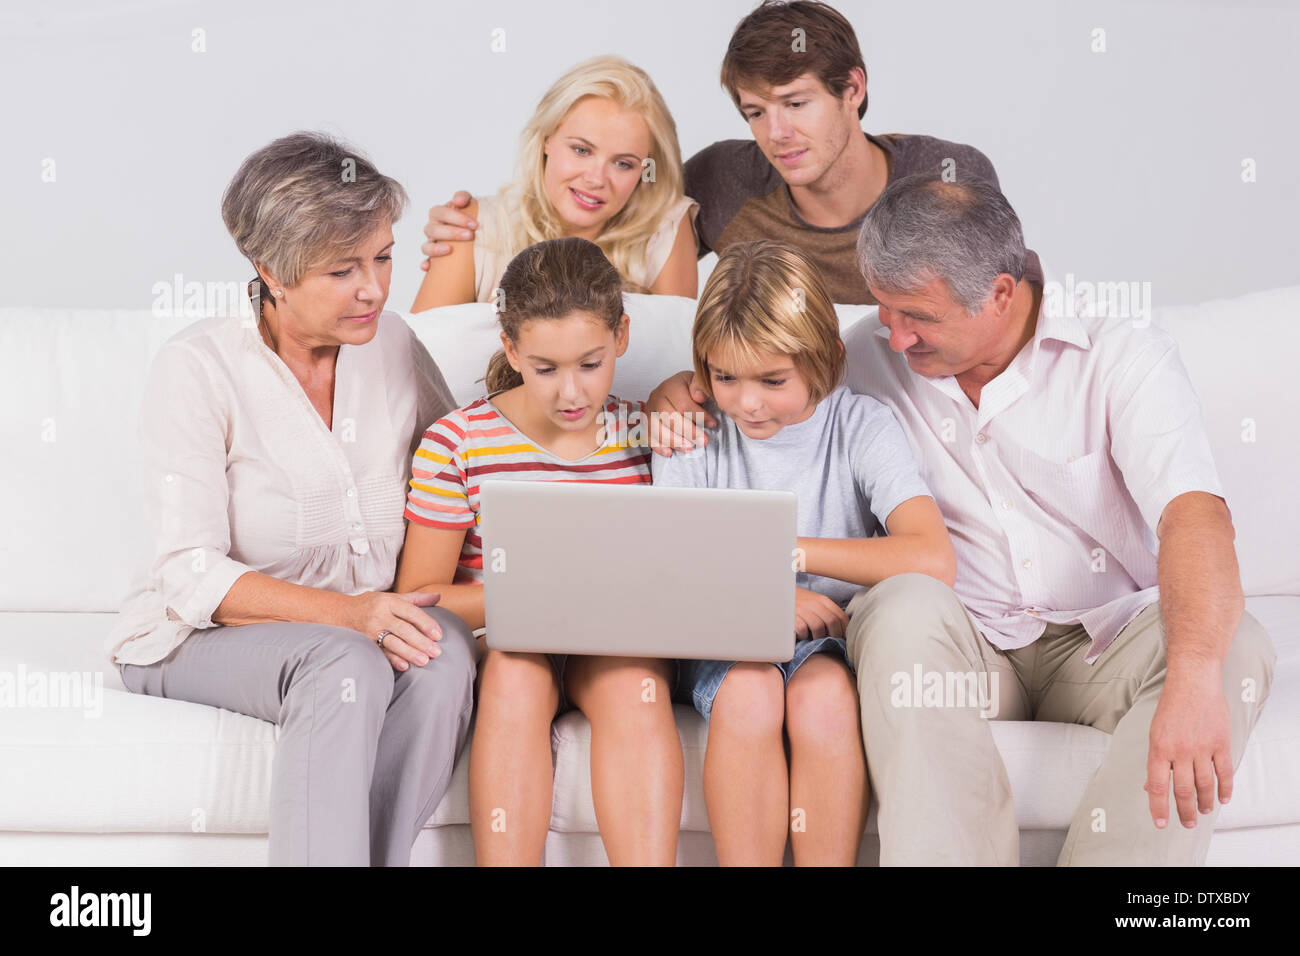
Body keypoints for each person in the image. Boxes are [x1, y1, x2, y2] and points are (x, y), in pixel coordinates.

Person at [647, 175, 1277, 865]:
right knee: (905, 604)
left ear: (999, 294)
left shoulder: (1122, 356)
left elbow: (1195, 522)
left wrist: (1190, 679)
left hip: (1103, 642)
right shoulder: (870, 355)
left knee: (1230, 646)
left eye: (916, 314)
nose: (893, 332)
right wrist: (676, 390)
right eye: (883, 308)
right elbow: (766, 372)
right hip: (963, 647)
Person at [106, 132, 479, 867]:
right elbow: (188, 573)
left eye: (383, 257)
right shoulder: (198, 368)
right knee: (346, 665)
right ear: (269, 270)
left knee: (445, 659)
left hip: (363, 627)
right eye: (343, 269)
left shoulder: (396, 345)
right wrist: (350, 615)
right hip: (197, 635)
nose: (373, 287)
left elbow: (463, 463)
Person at [652, 240, 954, 865]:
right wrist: (763, 602)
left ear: (827, 359)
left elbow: (930, 558)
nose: (748, 402)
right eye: (725, 377)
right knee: (750, 694)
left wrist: (783, 555)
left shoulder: (861, 426)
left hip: (828, 642)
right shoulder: (690, 428)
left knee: (824, 699)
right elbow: (673, 563)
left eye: (772, 380)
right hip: (723, 639)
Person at [396, 237, 684, 865]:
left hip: (617, 642)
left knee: (633, 683)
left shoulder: (649, 435)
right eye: (545, 367)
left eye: (591, 363)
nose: (571, 393)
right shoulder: (459, 442)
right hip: (507, 641)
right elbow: (419, 598)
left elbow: (687, 566)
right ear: (511, 350)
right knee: (513, 677)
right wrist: (528, 594)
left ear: (622, 338)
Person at [418, 1, 999, 305]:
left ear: (853, 89)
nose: (776, 134)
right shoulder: (723, 179)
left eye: (796, 103)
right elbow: (622, 221)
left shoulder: (946, 176)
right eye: (755, 112)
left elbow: (1011, 306)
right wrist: (472, 233)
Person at [410, 55, 698, 312]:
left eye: (623, 164)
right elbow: (420, 362)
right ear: (546, 139)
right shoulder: (473, 226)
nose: (596, 179)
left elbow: (680, 364)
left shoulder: (666, 226)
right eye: (581, 150)